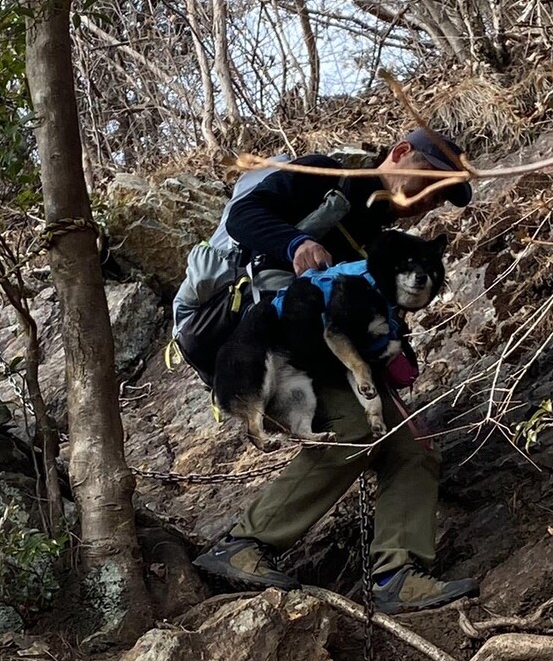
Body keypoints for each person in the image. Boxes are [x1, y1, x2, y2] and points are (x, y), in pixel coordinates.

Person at [191, 129, 480, 614]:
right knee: (351, 428)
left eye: (440, 196)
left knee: (411, 444)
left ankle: (396, 575)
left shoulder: (387, 245)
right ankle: (243, 544)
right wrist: (296, 243)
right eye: (427, 180)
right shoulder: (325, 177)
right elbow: (242, 217)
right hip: (258, 338)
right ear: (399, 152)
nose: (428, 200)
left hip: (323, 351)